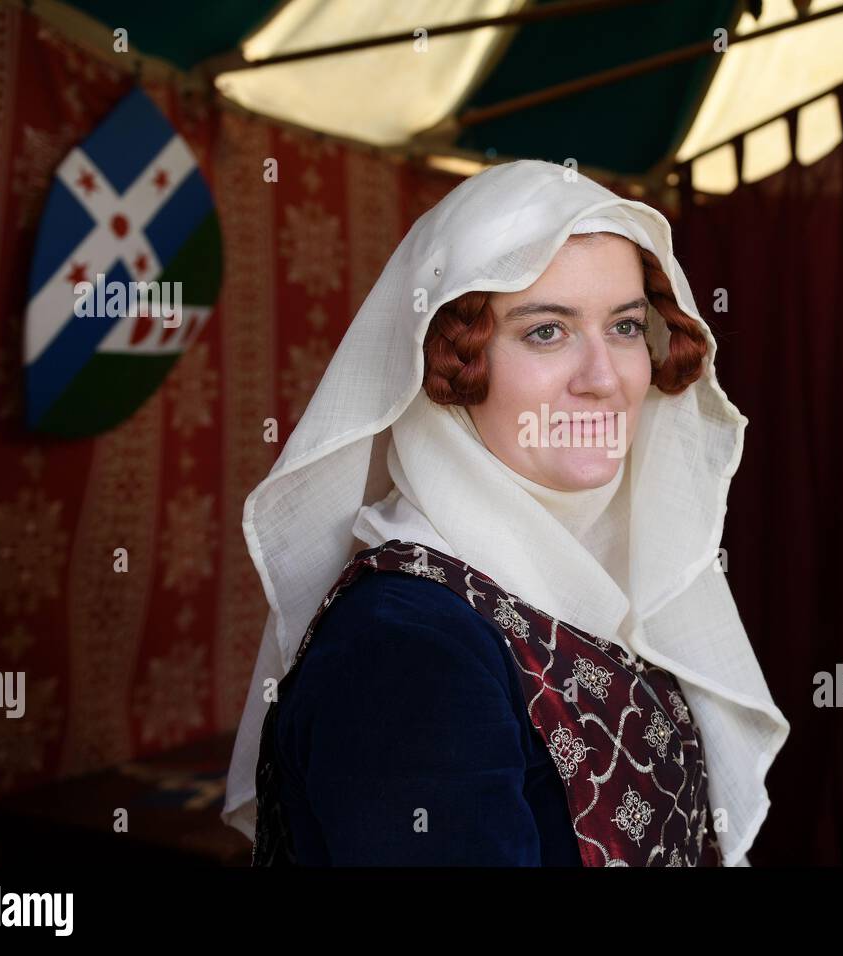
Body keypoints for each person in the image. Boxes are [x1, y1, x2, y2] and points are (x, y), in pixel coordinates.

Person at [223, 158, 790, 866]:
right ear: (456, 363)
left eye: (623, 327)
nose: (604, 379)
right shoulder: (407, 651)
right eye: (546, 332)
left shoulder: (589, 586)